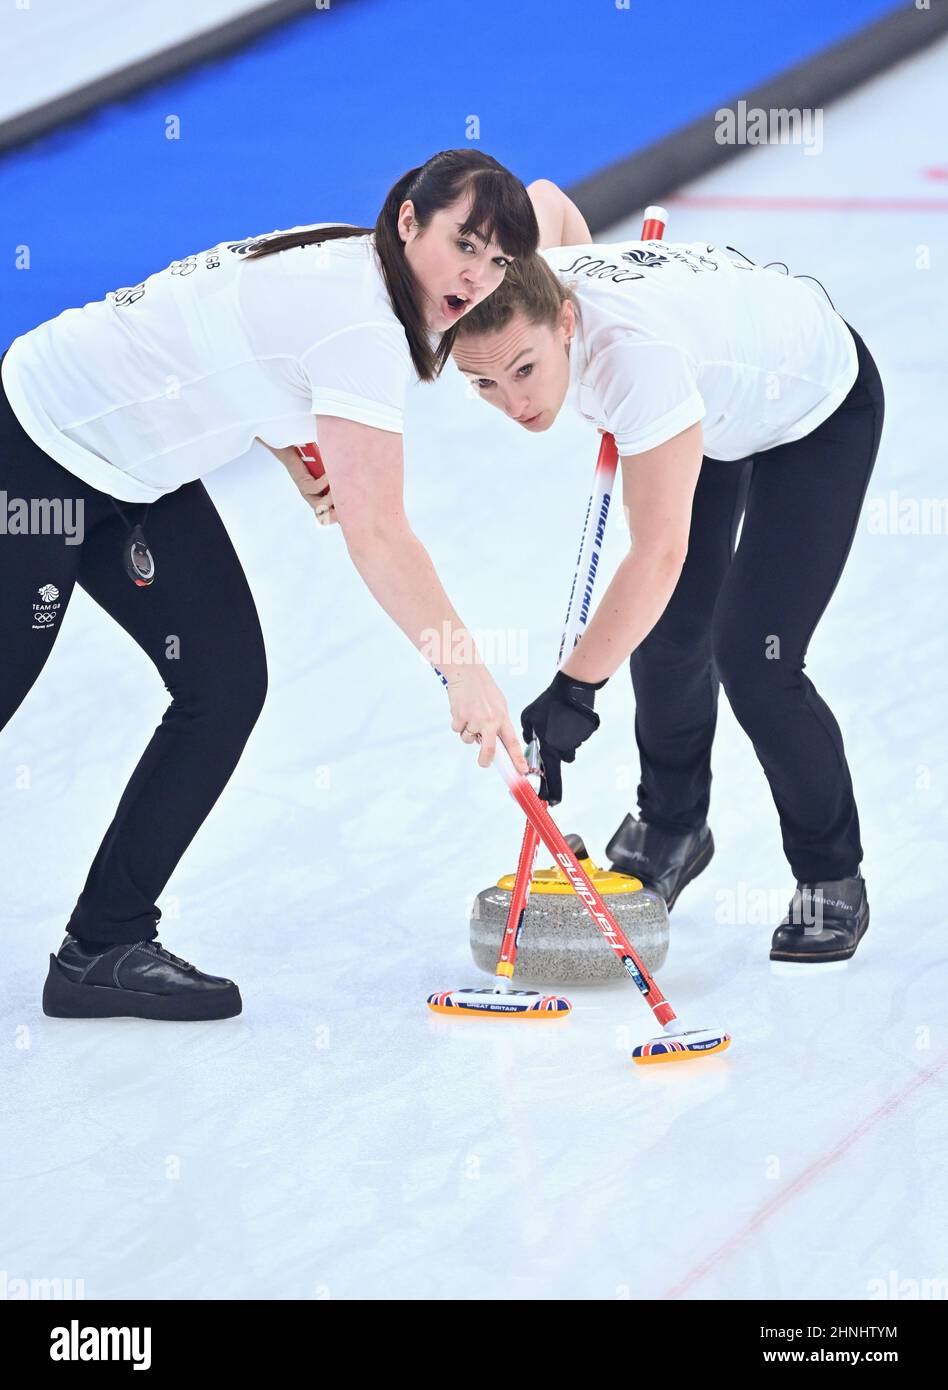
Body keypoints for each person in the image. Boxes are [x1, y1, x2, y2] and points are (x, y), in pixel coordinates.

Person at [0, 149, 538, 1022]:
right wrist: (463, 667)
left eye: (498, 262)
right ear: (410, 220)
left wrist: (288, 443)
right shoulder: (362, 324)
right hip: (35, 447)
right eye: (465, 245)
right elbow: (377, 531)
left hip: (138, 474)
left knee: (221, 682)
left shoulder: (347, 259)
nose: (477, 278)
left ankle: (102, 946)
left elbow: (220, 337)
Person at [451, 179, 885, 964]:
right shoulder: (538, 271)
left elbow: (658, 553)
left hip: (813, 404)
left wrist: (575, 689)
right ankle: (674, 822)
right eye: (482, 383)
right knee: (667, 628)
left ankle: (831, 876)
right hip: (713, 397)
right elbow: (544, 197)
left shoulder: (633, 365)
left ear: (566, 320)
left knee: (756, 656)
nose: (511, 402)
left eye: (523, 368)